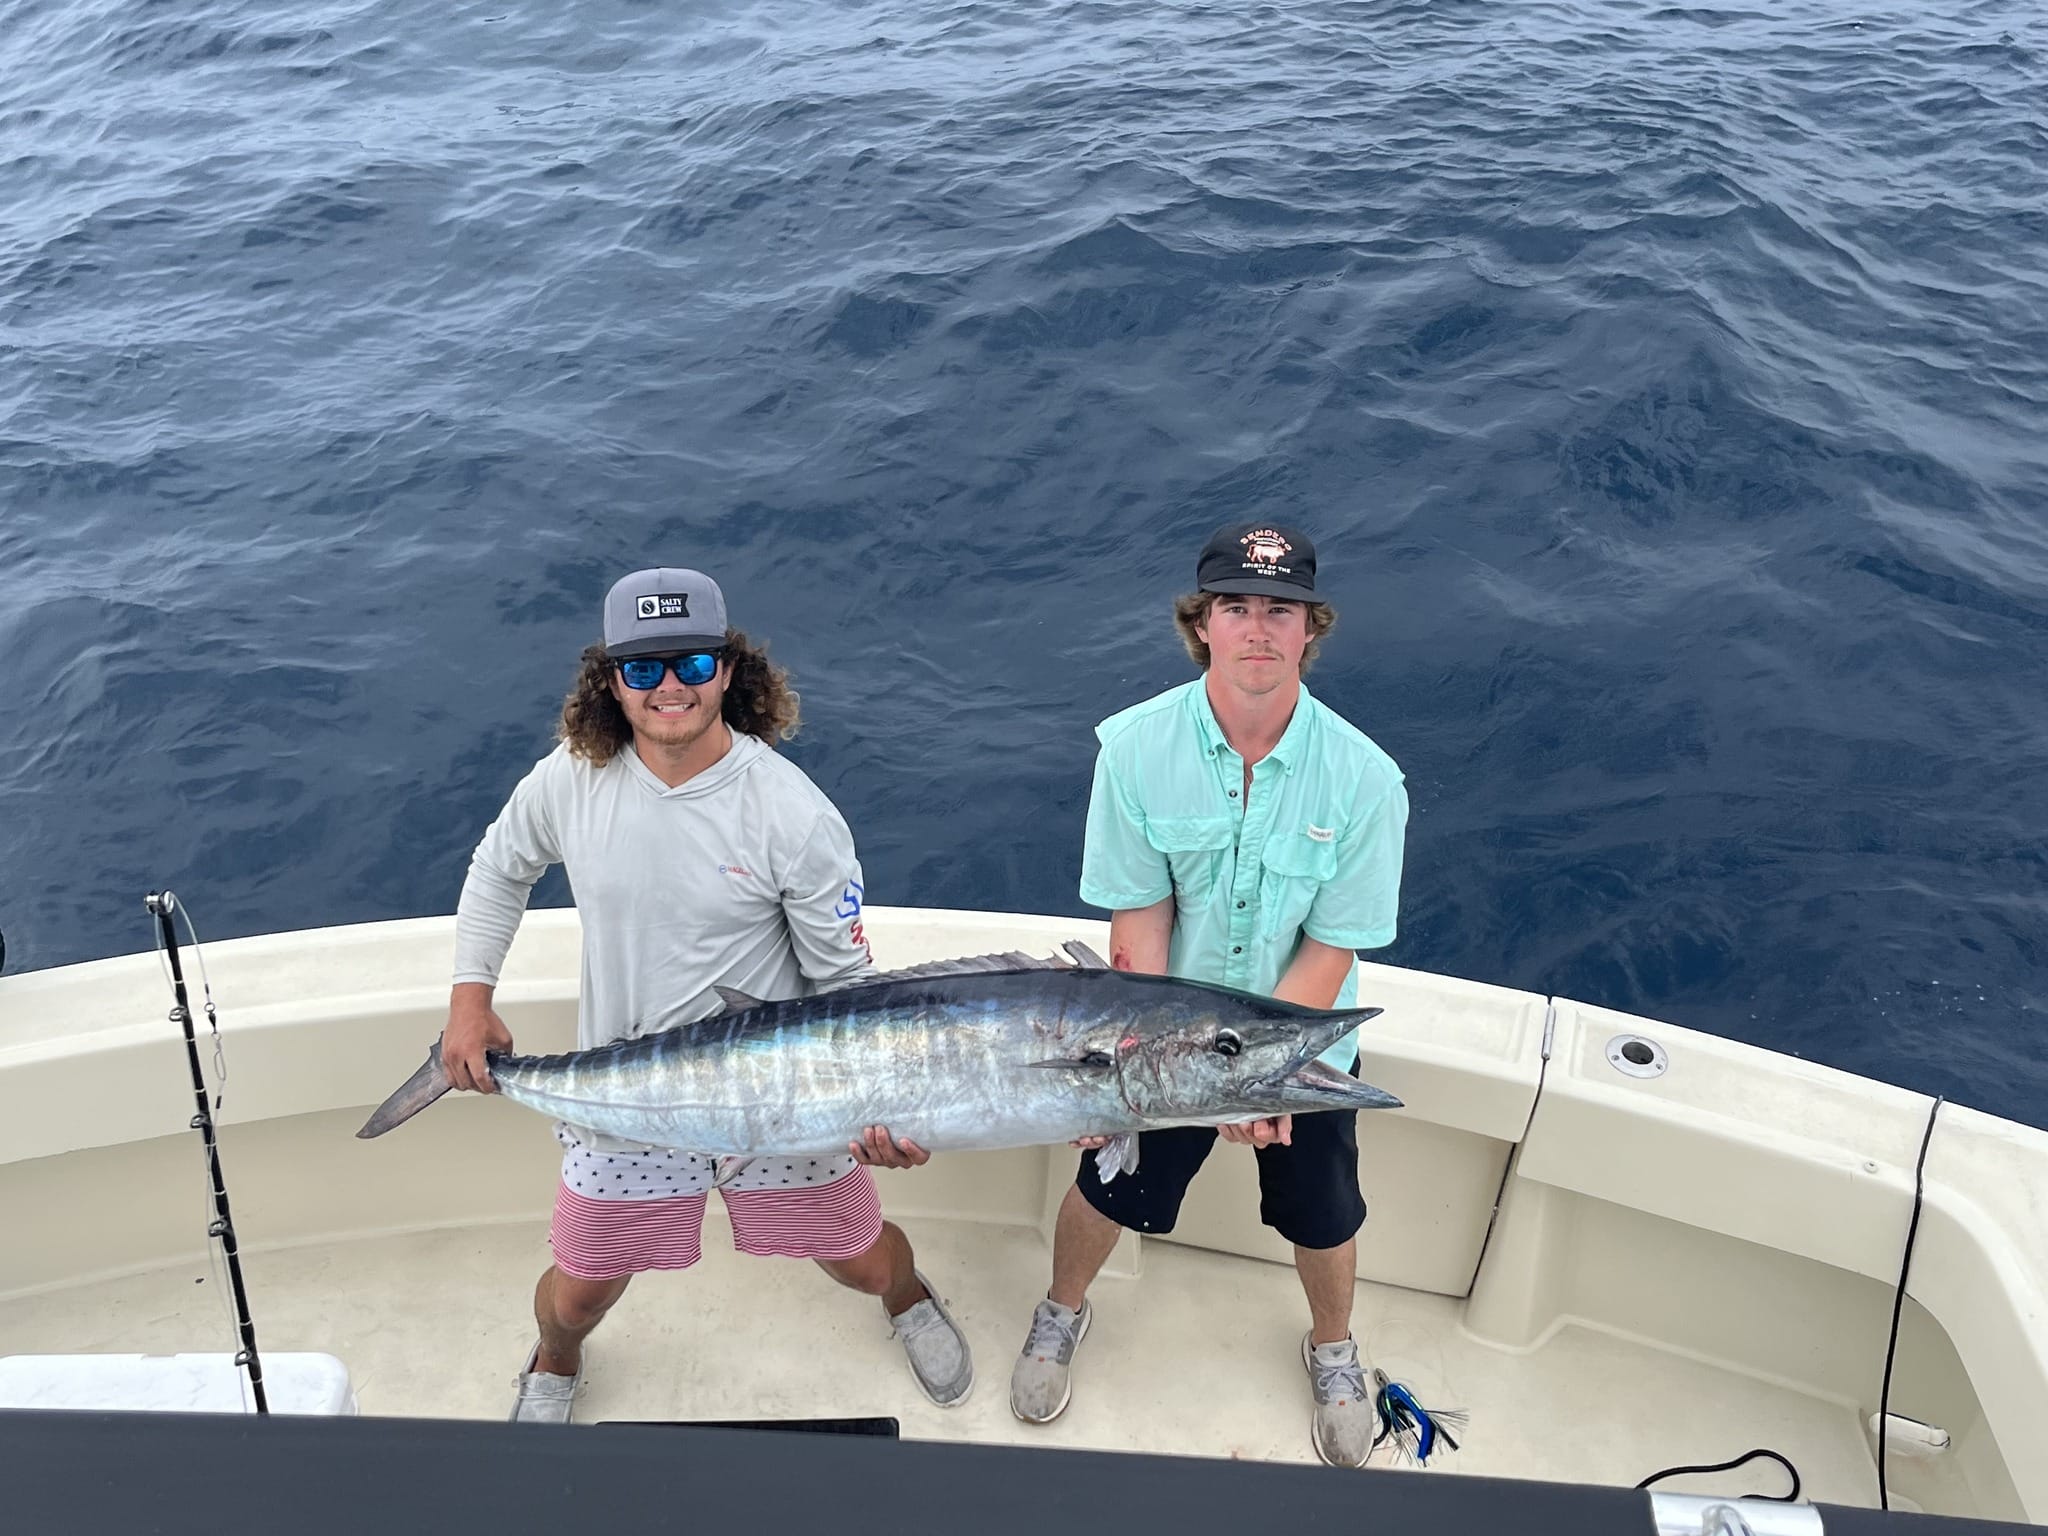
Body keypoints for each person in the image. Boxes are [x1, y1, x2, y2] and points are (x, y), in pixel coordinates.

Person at [442, 566, 973, 1423]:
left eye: (690, 663)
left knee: (861, 1259)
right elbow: (500, 869)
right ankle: (554, 1357)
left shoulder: (792, 813)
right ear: (610, 681)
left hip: (784, 1103)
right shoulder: (569, 780)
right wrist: (471, 1000)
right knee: (579, 1294)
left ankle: (908, 1300)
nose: (669, 688)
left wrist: (889, 1109)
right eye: (643, 669)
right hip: (631, 1100)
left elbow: (844, 991)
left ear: (729, 668)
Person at [1008, 523, 1407, 1467]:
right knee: (1106, 1188)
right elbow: (1137, 932)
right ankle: (1061, 1311)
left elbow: (1332, 945)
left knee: (1327, 1214)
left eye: (1282, 610)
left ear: (1313, 627)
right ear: (1203, 624)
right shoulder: (1135, 749)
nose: (1259, 629)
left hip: (1299, 1044)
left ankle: (1334, 1349)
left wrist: (1261, 1079)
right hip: (1154, 1045)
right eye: (1238, 608)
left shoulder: (1365, 778)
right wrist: (1147, 1079)